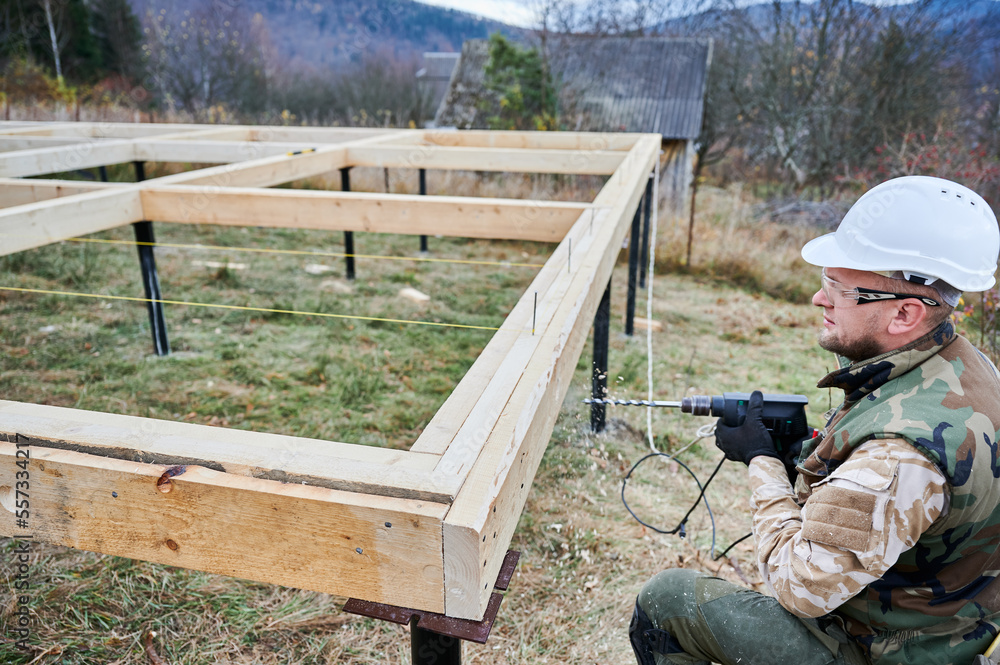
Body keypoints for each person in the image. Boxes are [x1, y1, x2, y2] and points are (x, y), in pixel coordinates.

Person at [629, 175, 1000, 665]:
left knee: (668, 602)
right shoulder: (971, 367)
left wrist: (762, 462)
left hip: (883, 647)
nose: (818, 299)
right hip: (944, 623)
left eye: (837, 288)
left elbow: (799, 586)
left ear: (905, 314)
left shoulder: (898, 456)